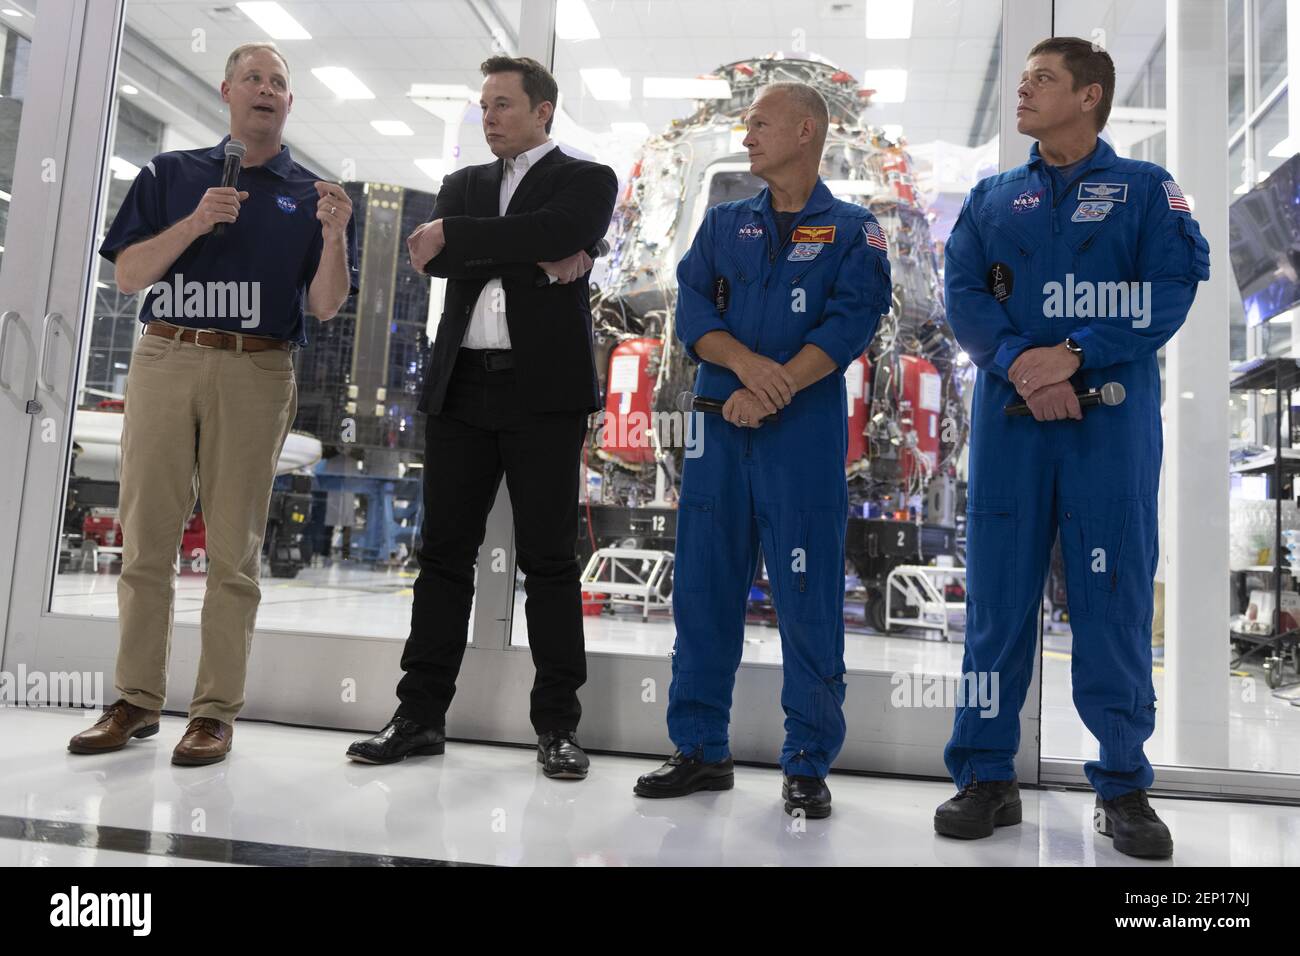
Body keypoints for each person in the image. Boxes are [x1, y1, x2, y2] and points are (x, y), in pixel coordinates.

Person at [935, 37, 1209, 858]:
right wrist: (1025, 362)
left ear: (1090, 97)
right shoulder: (991, 199)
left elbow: (1172, 287)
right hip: (1012, 427)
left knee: (1113, 606)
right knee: (994, 609)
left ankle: (1123, 786)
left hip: (1109, 429)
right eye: (1022, 79)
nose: (1024, 90)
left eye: (1042, 80)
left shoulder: (1147, 191)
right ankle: (986, 774)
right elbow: (962, 293)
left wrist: (1077, 352)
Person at [68, 42, 359, 765]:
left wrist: (334, 237)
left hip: (256, 369)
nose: (265, 89)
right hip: (166, 355)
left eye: (279, 82)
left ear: (289, 104)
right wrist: (196, 223)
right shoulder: (170, 175)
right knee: (147, 541)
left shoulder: (309, 193)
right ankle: (135, 701)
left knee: (234, 553)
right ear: (228, 91)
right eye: (253, 78)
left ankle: (214, 712)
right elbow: (130, 275)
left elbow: (324, 306)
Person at [346, 56, 617, 779]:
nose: (489, 117)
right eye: (484, 106)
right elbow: (440, 263)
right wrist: (541, 256)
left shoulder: (588, 179)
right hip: (461, 388)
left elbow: (560, 227)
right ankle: (419, 716)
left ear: (543, 110)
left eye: (502, 104)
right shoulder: (463, 184)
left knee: (550, 562)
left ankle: (558, 726)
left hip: (544, 396)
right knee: (442, 557)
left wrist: (470, 240)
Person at [633, 82, 892, 818]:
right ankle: (700, 751)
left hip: (802, 439)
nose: (747, 136)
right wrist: (751, 371)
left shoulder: (855, 230)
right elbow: (694, 311)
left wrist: (774, 390)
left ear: (806, 131)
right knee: (704, 593)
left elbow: (853, 323)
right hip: (720, 429)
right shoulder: (722, 224)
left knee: (808, 602)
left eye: (760, 123)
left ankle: (807, 762)